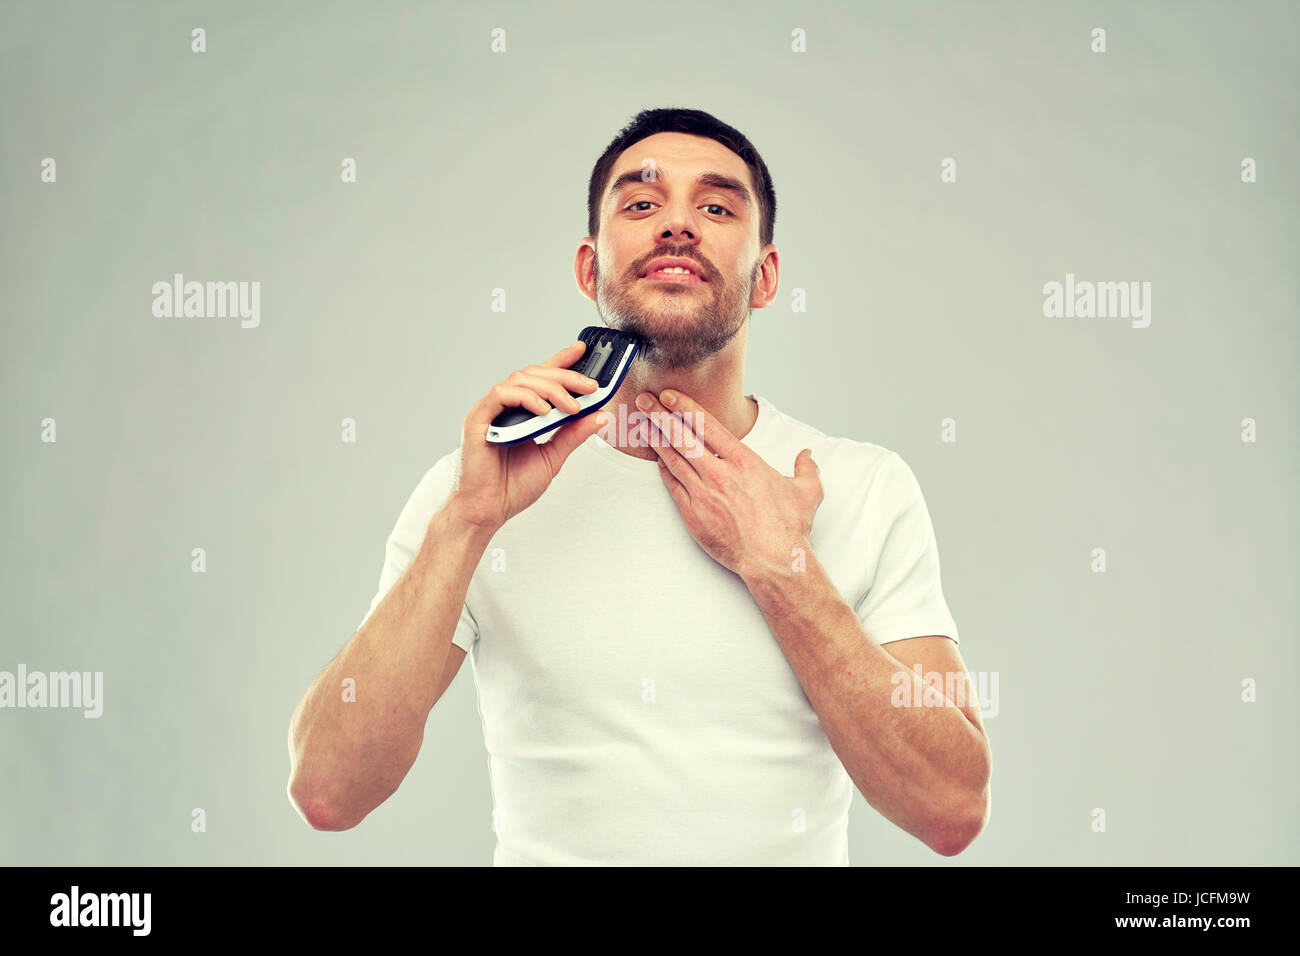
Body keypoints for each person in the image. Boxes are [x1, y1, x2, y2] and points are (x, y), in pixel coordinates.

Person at [287, 107, 992, 865]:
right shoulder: (475, 491)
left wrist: (779, 566)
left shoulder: (863, 486)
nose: (678, 226)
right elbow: (330, 791)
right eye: (642, 204)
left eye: (717, 207)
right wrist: (466, 522)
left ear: (767, 276)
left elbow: (950, 809)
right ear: (590, 268)